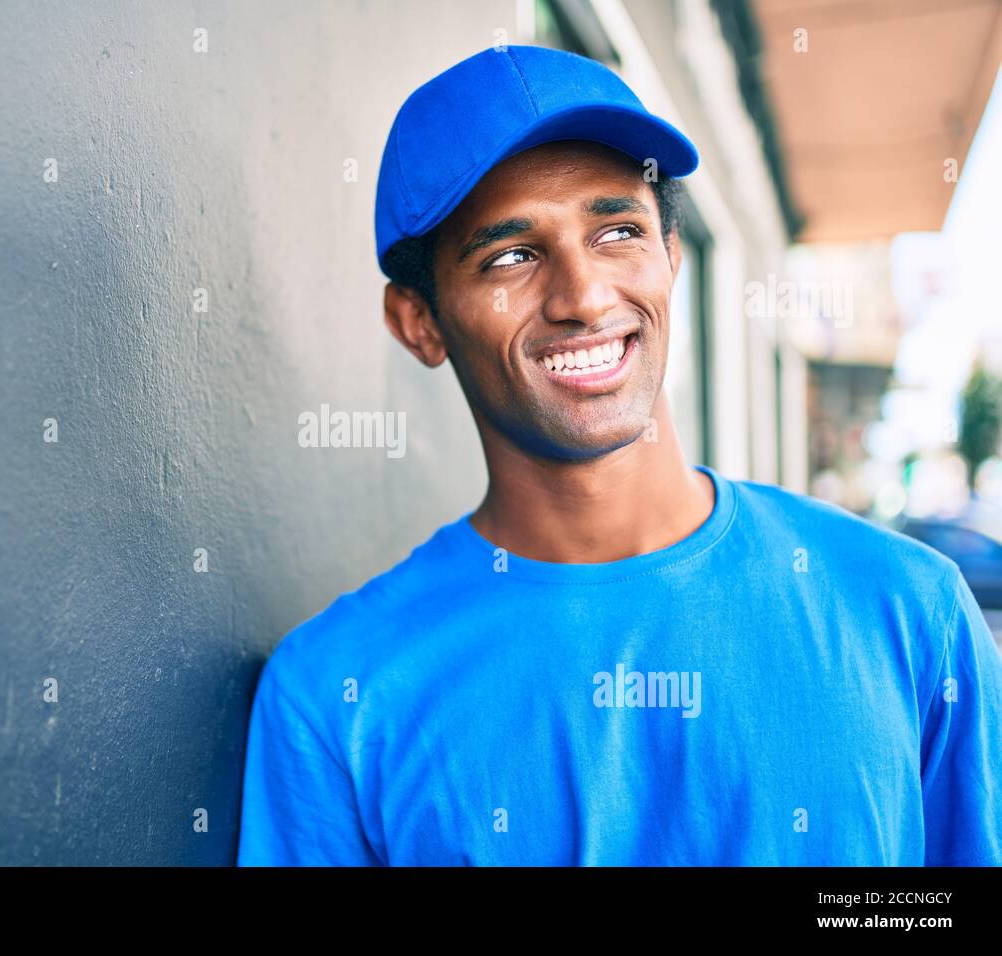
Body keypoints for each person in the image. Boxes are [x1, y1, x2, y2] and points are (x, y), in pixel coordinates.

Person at [236, 44, 1002, 865]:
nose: (586, 297)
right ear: (419, 321)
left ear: (672, 258)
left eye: (618, 232)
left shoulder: (907, 610)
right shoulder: (336, 697)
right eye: (511, 256)